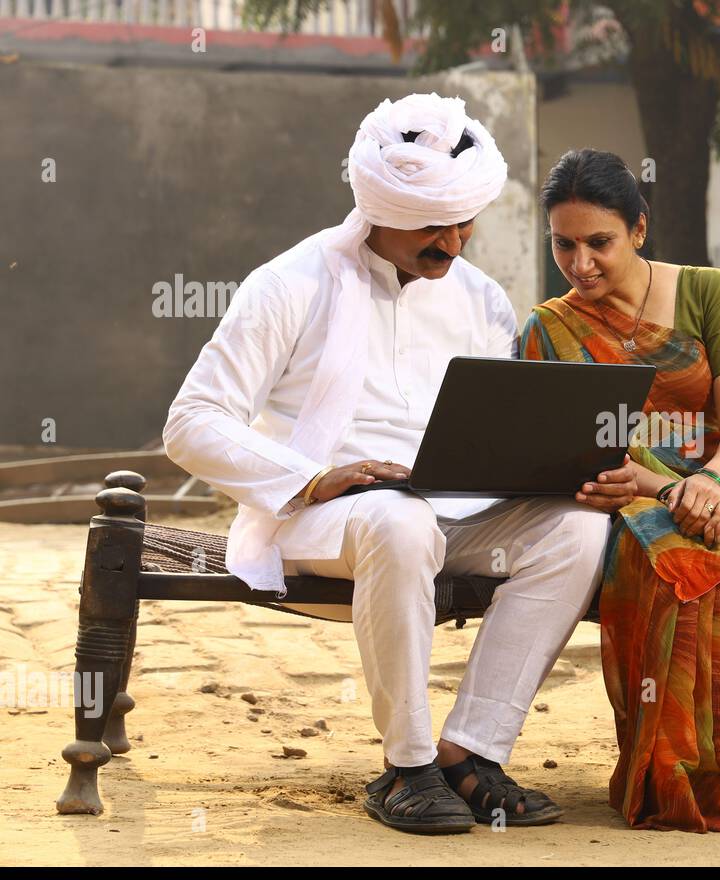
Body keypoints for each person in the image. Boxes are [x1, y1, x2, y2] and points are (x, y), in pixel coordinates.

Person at [163, 95, 624, 835]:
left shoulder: (480, 299)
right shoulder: (290, 283)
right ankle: (406, 768)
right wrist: (310, 477)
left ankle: (468, 755)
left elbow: (501, 419)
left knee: (574, 531)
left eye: (464, 219)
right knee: (399, 520)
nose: (454, 240)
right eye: (431, 224)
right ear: (377, 206)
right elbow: (191, 423)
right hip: (318, 513)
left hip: (456, 510)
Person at [521, 148, 720, 832]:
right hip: (616, 505)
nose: (580, 264)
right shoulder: (547, 328)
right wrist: (631, 490)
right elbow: (545, 456)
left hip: (714, 481)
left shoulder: (705, 291)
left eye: (598, 242)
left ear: (638, 228)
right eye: (563, 245)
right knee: (666, 559)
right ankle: (672, 770)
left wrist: (710, 481)